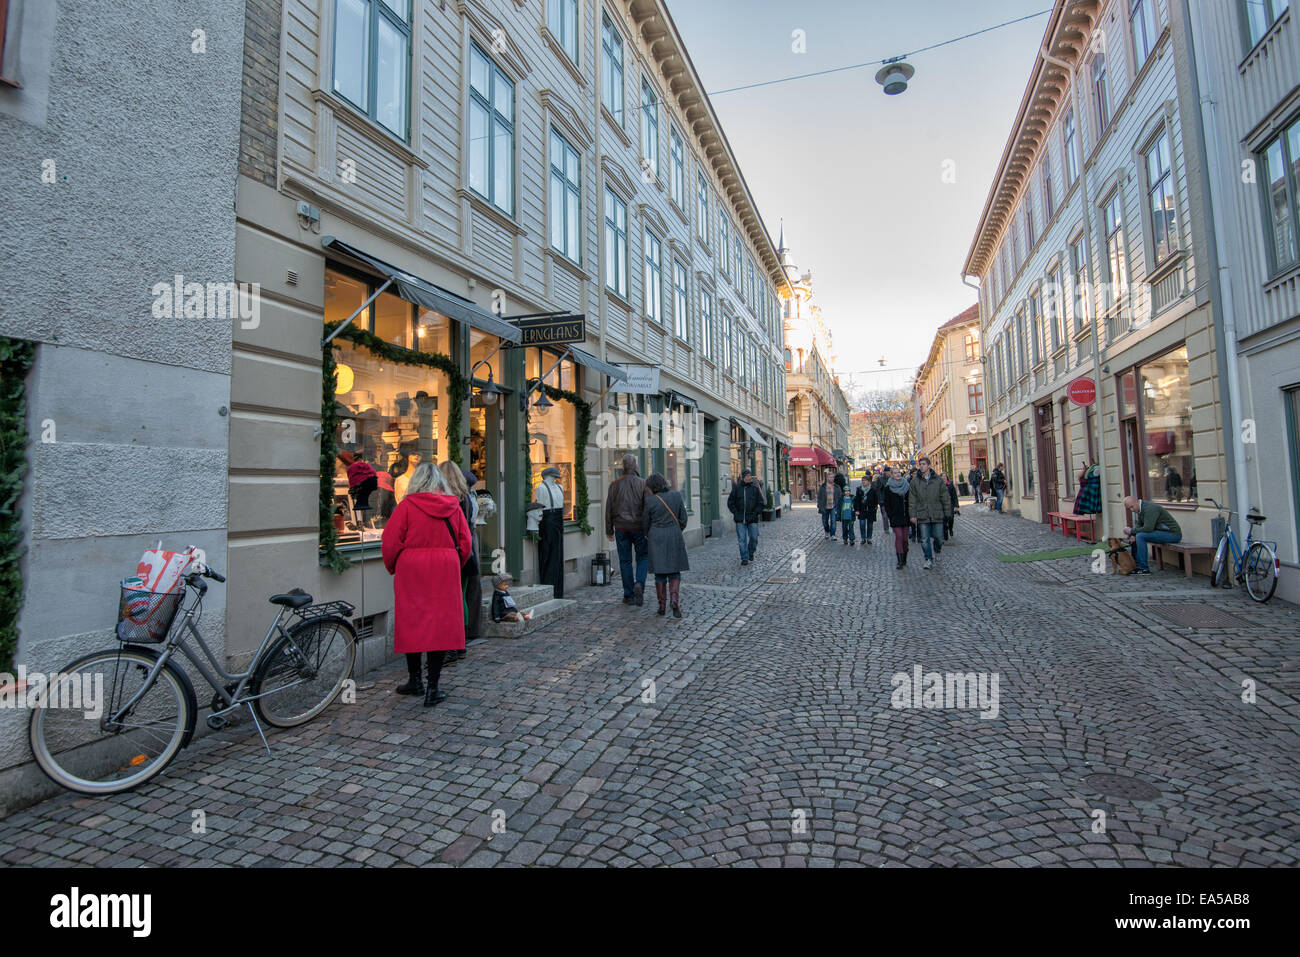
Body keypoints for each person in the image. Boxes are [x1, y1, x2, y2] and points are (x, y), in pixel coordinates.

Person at [380, 463, 471, 707]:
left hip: (413, 567)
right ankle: (433, 687)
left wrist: (395, 565)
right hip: (445, 566)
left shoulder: (407, 506)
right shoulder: (453, 506)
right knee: (440, 625)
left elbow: (389, 541)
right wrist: (454, 562)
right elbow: (466, 542)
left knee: (413, 622)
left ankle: (415, 680)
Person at [438, 462, 479, 664]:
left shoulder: (449, 500)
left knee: (453, 601)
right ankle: (460, 644)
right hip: (465, 552)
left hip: (453, 552)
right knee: (460, 597)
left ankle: (455, 644)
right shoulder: (468, 497)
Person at [605, 453, 649, 606]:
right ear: (635, 466)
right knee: (643, 557)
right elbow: (648, 507)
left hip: (621, 528)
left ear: (623, 466)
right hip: (639, 527)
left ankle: (628, 594)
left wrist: (609, 530)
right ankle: (640, 584)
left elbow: (608, 508)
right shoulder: (643, 484)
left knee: (625, 561)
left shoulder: (614, 484)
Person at [644, 472, 689, 617]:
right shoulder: (676, 496)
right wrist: (676, 530)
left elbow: (645, 522)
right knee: (674, 571)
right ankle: (674, 600)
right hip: (674, 535)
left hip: (656, 536)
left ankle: (662, 606)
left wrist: (648, 534)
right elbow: (683, 518)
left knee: (660, 573)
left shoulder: (650, 501)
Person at [907, 456, 952, 571]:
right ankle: (928, 559)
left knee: (938, 537)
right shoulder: (915, 481)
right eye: (920, 464)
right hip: (922, 514)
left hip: (937, 513)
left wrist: (948, 512)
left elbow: (945, 497)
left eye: (923, 464)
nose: (921, 466)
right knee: (924, 539)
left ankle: (937, 550)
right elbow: (912, 500)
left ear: (929, 466)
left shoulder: (937, 480)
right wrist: (912, 515)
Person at [1122, 495, 1182, 575]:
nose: (1132, 510)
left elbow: (1148, 528)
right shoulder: (1141, 509)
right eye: (1129, 508)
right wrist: (1132, 534)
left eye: (1132, 507)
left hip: (1173, 534)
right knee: (1137, 536)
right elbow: (1139, 525)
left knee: (1140, 536)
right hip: (1162, 532)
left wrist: (1131, 531)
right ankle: (1136, 566)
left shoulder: (1150, 508)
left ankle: (1143, 568)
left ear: (1136, 501)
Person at [535, 466, 565, 598]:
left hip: (557, 520)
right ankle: (549, 586)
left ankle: (557, 590)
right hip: (547, 521)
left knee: (557, 555)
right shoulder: (541, 488)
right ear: (548, 476)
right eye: (553, 476)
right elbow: (540, 508)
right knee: (548, 554)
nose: (555, 479)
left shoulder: (560, 488)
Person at [728, 468, 765, 566]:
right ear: (743, 477)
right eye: (747, 476)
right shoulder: (736, 488)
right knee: (742, 540)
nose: (749, 477)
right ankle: (744, 558)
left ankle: (750, 552)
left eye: (750, 476)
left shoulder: (754, 488)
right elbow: (730, 503)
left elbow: (761, 503)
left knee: (754, 537)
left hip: (752, 518)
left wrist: (755, 513)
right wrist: (736, 513)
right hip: (740, 519)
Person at [881, 467, 911, 570]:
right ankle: (899, 560)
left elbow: (911, 501)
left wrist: (911, 513)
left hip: (906, 516)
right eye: (895, 473)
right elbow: (886, 503)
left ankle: (904, 556)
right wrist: (890, 515)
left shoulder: (907, 486)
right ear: (892, 475)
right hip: (895, 517)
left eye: (898, 472)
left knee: (905, 539)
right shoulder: (888, 488)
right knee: (899, 537)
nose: (897, 474)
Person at [854, 480, 877, 545]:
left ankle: (869, 538)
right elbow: (857, 500)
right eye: (862, 481)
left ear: (869, 482)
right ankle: (863, 538)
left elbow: (875, 499)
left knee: (870, 525)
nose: (863, 482)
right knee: (862, 524)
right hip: (861, 510)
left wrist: (875, 508)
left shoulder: (873, 489)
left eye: (865, 481)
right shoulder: (859, 489)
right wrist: (857, 510)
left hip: (870, 510)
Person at [835, 474, 856, 545]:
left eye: (848, 491)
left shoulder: (852, 499)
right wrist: (837, 515)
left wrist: (855, 512)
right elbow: (838, 508)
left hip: (850, 517)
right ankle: (845, 538)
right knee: (844, 529)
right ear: (844, 492)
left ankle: (852, 539)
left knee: (851, 529)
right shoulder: (841, 499)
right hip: (844, 517)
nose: (847, 492)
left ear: (850, 492)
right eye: (846, 491)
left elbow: (855, 507)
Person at [816, 471, 836, 539]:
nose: (832, 478)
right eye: (830, 477)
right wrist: (819, 505)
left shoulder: (836, 486)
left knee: (833, 521)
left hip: (833, 506)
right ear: (827, 478)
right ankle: (827, 531)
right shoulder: (823, 487)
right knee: (825, 521)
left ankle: (833, 534)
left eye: (833, 477)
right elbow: (819, 497)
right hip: (825, 507)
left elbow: (839, 496)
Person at [941, 471, 959, 541]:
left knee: (951, 518)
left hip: (950, 504)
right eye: (942, 476)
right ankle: (945, 535)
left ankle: (950, 529)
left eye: (944, 476)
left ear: (946, 477)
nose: (943, 478)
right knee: (944, 521)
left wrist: (956, 506)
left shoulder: (950, 485)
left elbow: (954, 496)